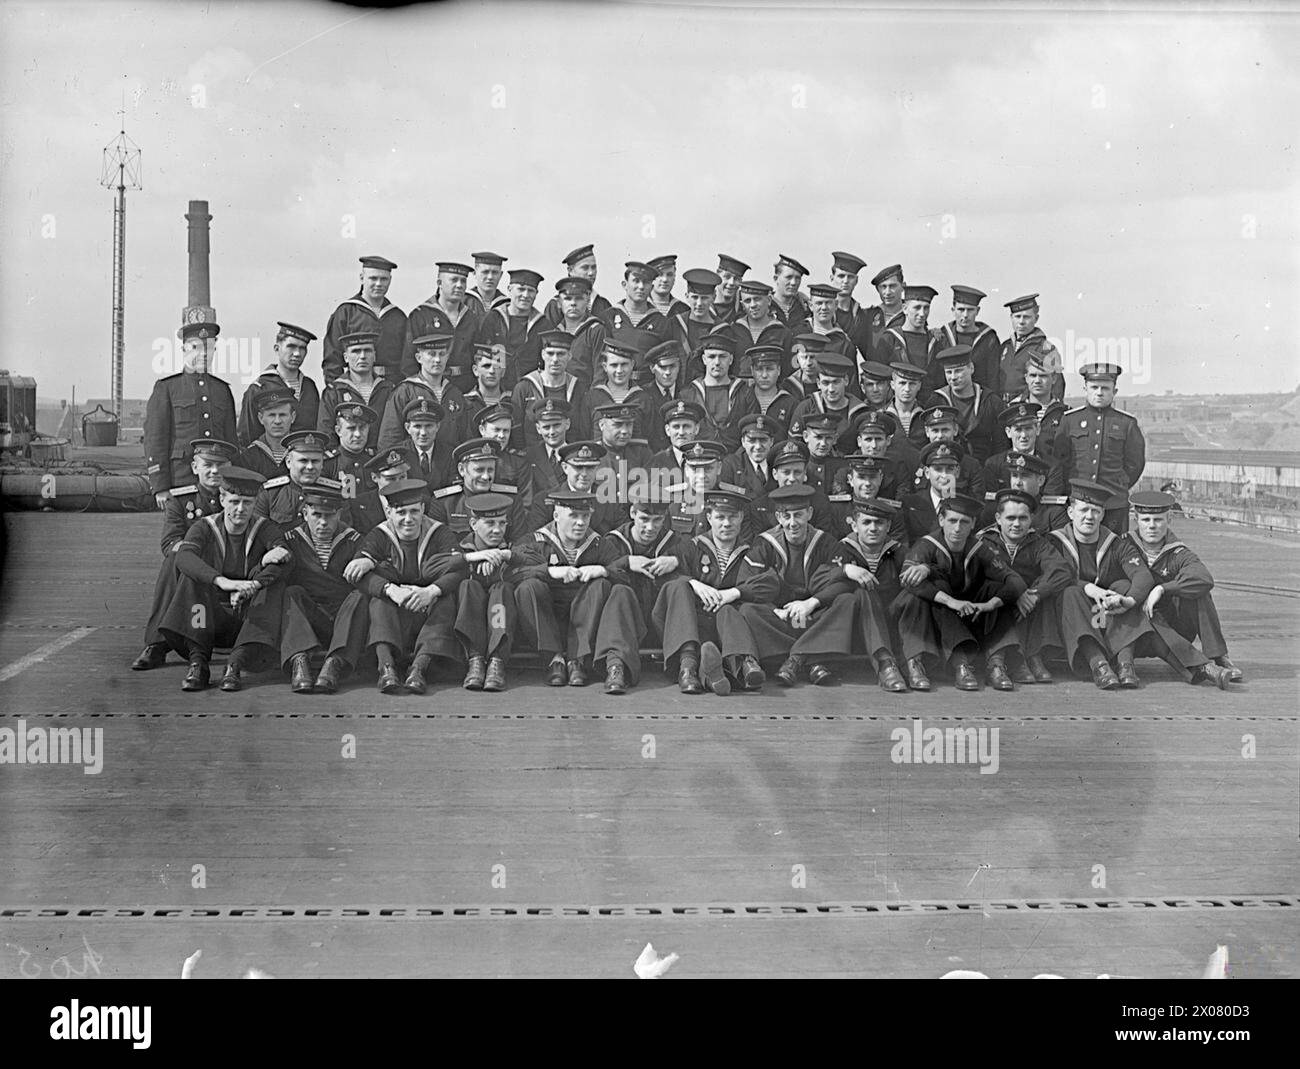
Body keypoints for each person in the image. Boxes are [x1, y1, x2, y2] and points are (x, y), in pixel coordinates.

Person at [157, 466, 289, 692]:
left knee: (273, 584)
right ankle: (198, 662)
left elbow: (285, 558)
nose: (240, 509)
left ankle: (235, 665)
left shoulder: (264, 528)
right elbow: (185, 557)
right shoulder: (205, 527)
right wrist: (222, 581)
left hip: (249, 622)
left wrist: (254, 584)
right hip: (207, 622)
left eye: (247, 503)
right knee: (193, 579)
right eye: (234, 501)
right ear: (222, 498)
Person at [894, 493, 1027, 692]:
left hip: (966, 612)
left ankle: (996, 664)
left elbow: (1014, 580)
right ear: (941, 520)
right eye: (952, 521)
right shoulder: (926, 545)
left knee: (995, 589)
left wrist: (990, 604)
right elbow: (907, 580)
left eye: (964, 522)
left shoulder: (978, 548)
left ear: (973, 523)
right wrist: (949, 601)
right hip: (929, 616)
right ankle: (951, 664)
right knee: (931, 588)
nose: (957, 528)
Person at [347, 477, 466, 695]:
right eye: (401, 512)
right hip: (395, 616)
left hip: (427, 613)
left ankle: (419, 668)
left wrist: (431, 591)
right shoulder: (380, 534)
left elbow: (459, 570)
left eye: (414, 511)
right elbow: (357, 575)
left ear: (423, 509)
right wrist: (390, 589)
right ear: (389, 512)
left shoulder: (439, 532)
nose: (408, 519)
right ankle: (386, 667)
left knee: (446, 599)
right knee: (378, 599)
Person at [130, 437, 240, 671]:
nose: (214, 471)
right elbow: (170, 542)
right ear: (194, 468)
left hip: (229, 588)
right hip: (195, 583)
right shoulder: (181, 501)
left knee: (185, 560)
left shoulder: (239, 500)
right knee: (176, 559)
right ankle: (157, 645)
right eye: (207, 465)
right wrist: (196, 559)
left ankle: (185, 648)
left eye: (221, 465)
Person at [651, 489, 775, 694]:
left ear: (742, 517)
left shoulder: (753, 549)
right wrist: (694, 583)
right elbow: (663, 578)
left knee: (728, 611)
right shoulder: (691, 547)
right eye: (720, 517)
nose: (726, 523)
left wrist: (734, 592)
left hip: (729, 633)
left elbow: (770, 583)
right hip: (691, 628)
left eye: (733, 517)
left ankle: (741, 667)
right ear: (709, 518)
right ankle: (688, 667)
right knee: (679, 586)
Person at [1043, 479, 1158, 690]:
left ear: (1103, 515)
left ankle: (1125, 663)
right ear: (1070, 512)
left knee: (1124, 585)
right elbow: (1052, 576)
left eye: (1096, 511)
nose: (1089, 516)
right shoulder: (1054, 542)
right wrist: (1086, 586)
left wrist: (1128, 600)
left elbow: (1143, 575)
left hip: (1105, 614)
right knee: (1070, 592)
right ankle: (1099, 665)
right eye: (1084, 509)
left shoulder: (1115, 543)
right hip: (1066, 619)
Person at [510, 489, 628, 689]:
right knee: (527, 587)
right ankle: (553, 659)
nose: (581, 523)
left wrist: (604, 570)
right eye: (573, 516)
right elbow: (512, 573)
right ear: (556, 516)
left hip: (584, 621)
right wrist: (547, 571)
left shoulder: (599, 543)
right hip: (547, 618)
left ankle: (577, 660)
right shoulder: (535, 542)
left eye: (585, 516)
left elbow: (625, 576)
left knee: (602, 585)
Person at [794, 498, 910, 691]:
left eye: (879, 523)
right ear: (854, 525)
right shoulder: (841, 549)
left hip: (886, 626)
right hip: (849, 628)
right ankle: (885, 664)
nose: (873, 528)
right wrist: (845, 569)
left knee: (875, 593)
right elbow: (816, 582)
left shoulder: (898, 551)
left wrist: (922, 568)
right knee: (861, 592)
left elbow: (916, 569)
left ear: (888, 526)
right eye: (866, 522)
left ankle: (893, 663)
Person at [1127, 490, 1239, 687]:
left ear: (1169, 518)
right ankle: (1203, 666)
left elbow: (1204, 578)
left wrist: (1162, 588)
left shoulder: (1178, 551)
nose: (1152, 526)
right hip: (1138, 629)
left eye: (1158, 520)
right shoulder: (1125, 546)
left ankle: (1218, 655)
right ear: (1136, 519)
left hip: (1174, 627)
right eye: (1145, 520)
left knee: (1199, 592)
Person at [736, 484, 838, 687]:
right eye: (786, 516)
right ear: (778, 517)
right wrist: (775, 610)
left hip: (813, 614)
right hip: (780, 618)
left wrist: (812, 603)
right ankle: (812, 659)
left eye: (798, 515)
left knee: (844, 602)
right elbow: (746, 584)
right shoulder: (764, 543)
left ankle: (794, 659)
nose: (793, 523)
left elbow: (837, 582)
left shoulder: (825, 541)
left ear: (809, 513)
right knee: (748, 610)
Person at [974, 488, 1074, 687]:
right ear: (998, 518)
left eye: (1023, 518)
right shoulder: (983, 541)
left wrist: (1034, 594)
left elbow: (1061, 570)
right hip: (993, 609)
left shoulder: (1038, 543)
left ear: (1031, 519)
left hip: (1027, 610)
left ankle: (1030, 657)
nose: (1017, 524)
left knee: (1046, 592)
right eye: (1010, 518)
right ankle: (997, 661)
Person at [278, 483, 370, 694]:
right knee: (292, 593)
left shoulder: (353, 540)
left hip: (343, 619)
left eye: (329, 516)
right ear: (305, 513)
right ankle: (299, 661)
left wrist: (368, 561)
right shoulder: (291, 539)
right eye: (316, 514)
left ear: (339, 514)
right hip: (309, 621)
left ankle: (334, 663)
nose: (322, 522)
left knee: (359, 596)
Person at [145, 321, 238, 502]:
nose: (203, 354)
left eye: (209, 348)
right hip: (180, 481)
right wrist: (160, 486)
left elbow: (231, 441)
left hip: (217, 482)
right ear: (184, 350)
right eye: (195, 347)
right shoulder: (167, 388)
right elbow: (155, 441)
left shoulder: (222, 390)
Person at [1054, 362, 1146, 532]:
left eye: (1105, 388)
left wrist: (1119, 484)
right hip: (1079, 501)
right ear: (1085, 389)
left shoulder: (1127, 423)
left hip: (1113, 503)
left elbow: (1135, 464)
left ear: (1114, 392)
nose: (1099, 392)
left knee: (1115, 551)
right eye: (1094, 387)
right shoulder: (1069, 420)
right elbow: (1061, 459)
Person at [451, 492, 519, 692]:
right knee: (468, 586)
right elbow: (438, 566)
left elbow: (530, 561)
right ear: (473, 524)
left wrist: (502, 558)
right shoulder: (460, 547)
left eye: (502, 523)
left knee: (502, 589)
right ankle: (475, 660)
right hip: (470, 612)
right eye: (490, 523)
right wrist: (476, 559)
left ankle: (497, 661)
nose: (498, 530)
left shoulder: (512, 548)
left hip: (501, 611)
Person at [376, 333, 467, 452]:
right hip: (413, 464)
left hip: (448, 465)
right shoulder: (405, 391)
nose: (437, 360)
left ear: (447, 357)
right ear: (419, 358)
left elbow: (464, 437)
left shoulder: (455, 394)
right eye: (431, 354)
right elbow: (389, 439)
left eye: (442, 354)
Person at [322, 255, 406, 383]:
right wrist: (337, 390)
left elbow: (407, 360)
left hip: (392, 386)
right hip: (356, 384)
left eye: (383, 279)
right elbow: (332, 359)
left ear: (390, 280)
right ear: (362, 278)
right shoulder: (346, 312)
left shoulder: (398, 316)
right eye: (373, 278)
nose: (378, 284)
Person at [402, 261, 483, 391]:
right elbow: (409, 360)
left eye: (463, 281)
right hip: (430, 385)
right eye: (454, 280)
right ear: (439, 283)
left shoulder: (471, 318)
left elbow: (477, 356)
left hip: (465, 386)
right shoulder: (421, 315)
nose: (459, 285)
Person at [237, 322, 320, 445]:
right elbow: (247, 437)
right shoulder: (259, 388)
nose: (297, 354)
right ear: (277, 349)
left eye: (302, 348)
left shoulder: (309, 387)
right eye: (291, 346)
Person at [430, 437, 528, 538]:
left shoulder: (511, 500)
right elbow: (438, 545)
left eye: (490, 470)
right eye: (479, 470)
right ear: (462, 470)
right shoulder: (444, 503)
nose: (485, 476)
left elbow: (520, 542)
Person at [316, 331, 394, 451]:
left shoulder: (388, 389)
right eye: (356, 351)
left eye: (367, 351)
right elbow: (326, 434)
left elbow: (393, 430)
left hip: (381, 461)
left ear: (375, 355)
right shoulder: (334, 392)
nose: (362, 356)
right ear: (346, 357)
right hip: (346, 463)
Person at [512, 331, 588, 450]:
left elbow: (584, 429)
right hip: (532, 458)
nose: (555, 359)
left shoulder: (579, 388)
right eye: (550, 353)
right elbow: (516, 426)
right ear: (543, 354)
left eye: (561, 354)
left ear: (570, 356)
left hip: (570, 456)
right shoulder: (524, 387)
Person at [930, 344, 1005, 463]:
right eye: (949, 372)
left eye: (958, 371)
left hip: (984, 467)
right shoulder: (937, 400)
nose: (953, 377)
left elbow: (1001, 444)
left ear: (971, 368)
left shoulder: (991, 401)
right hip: (947, 466)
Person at [680, 332, 753, 452]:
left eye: (722, 356)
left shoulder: (745, 392)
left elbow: (751, 431)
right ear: (704, 359)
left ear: (731, 359)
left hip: (735, 461)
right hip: (699, 458)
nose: (717, 362)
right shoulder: (688, 394)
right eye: (712, 357)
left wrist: (735, 460)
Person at [255, 430, 344, 527]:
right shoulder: (270, 493)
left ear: (322, 464)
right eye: (303, 461)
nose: (310, 467)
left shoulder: (335, 493)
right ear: (288, 462)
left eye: (315, 461)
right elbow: (259, 533)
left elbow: (343, 533)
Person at [475, 268, 549, 385]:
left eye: (531, 291)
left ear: (536, 294)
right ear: (509, 289)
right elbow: (480, 356)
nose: (525, 295)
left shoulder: (543, 324)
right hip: (496, 386)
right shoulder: (493, 318)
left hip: (529, 388)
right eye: (521, 289)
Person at [977, 450, 1067, 534]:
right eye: (1014, 476)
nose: (1018, 483)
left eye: (1024, 476)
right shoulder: (994, 511)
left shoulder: (1054, 514)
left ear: (1040, 480)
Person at [998, 293, 1065, 402]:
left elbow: (1057, 385)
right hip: (1001, 406)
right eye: (1017, 316)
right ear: (1011, 318)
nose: (1021, 322)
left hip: (1027, 408)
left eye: (1026, 317)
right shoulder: (1005, 347)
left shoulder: (1046, 348)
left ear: (1036, 318)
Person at [874, 284, 942, 390]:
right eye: (917, 307)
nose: (922, 313)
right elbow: (880, 376)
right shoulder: (889, 339)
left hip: (929, 401)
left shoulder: (934, 341)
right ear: (905, 308)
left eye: (926, 308)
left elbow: (939, 379)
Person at [934, 286, 1000, 392]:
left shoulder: (989, 339)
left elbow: (993, 377)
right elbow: (936, 374)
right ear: (953, 310)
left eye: (970, 310)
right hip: (948, 397)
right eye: (961, 309)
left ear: (977, 311)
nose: (965, 315)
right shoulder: (943, 336)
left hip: (980, 398)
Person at [321, 401, 378, 523]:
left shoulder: (376, 462)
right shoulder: (327, 465)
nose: (358, 434)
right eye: (351, 428)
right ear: (338, 431)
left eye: (362, 428)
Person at [901, 440, 966, 544]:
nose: (944, 475)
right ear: (927, 473)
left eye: (950, 469)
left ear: (957, 471)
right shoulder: (910, 504)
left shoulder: (966, 505)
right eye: (938, 469)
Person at [394, 396, 453, 492]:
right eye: (417, 426)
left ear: (438, 427)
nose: (423, 433)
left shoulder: (450, 455)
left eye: (429, 426)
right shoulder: (398, 455)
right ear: (407, 428)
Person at [238, 387, 298, 478]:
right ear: (261, 418)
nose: (277, 421)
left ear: (293, 417)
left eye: (282, 415)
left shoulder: (301, 452)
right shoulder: (249, 457)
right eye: (271, 415)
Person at [542, 244, 611, 322]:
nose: (591, 273)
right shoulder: (557, 305)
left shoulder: (603, 304)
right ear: (570, 270)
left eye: (594, 267)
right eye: (585, 268)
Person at [721, 413, 782, 500]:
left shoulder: (778, 464)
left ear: (771, 441)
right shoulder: (731, 465)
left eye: (763, 440)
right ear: (743, 441)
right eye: (752, 440)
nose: (758, 446)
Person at [523, 398, 574, 498]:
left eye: (556, 425)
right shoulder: (529, 456)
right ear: (538, 428)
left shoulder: (576, 455)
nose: (552, 432)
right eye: (546, 427)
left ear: (567, 424)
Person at [603, 262, 669, 338]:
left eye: (646, 282)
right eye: (636, 281)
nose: (641, 286)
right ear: (625, 285)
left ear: (651, 287)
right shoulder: (608, 318)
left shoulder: (661, 322)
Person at [830, 251, 876, 358]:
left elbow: (867, 352)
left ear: (856, 281)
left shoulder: (860, 315)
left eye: (850, 277)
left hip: (849, 371)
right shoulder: (821, 309)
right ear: (832, 278)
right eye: (841, 276)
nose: (845, 281)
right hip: (823, 371)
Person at [743, 344, 799, 427]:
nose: (764, 375)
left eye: (769, 369)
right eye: (759, 369)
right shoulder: (741, 398)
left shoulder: (790, 403)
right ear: (752, 371)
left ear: (779, 370)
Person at [865, 263, 906, 353]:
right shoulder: (869, 315)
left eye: (892, 286)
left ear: (903, 286)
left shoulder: (910, 315)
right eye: (883, 287)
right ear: (877, 289)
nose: (887, 292)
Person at [770, 254, 811, 327]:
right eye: (788, 277)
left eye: (798, 278)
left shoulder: (805, 308)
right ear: (776, 278)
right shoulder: (765, 305)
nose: (793, 283)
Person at [648, 254, 690, 319]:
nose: (665, 279)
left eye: (669, 275)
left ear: (674, 277)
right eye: (660, 275)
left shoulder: (684, 310)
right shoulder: (638, 307)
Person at [712, 253, 749, 322]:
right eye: (727, 277)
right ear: (717, 275)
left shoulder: (745, 307)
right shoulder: (705, 305)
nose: (731, 283)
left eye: (736, 279)